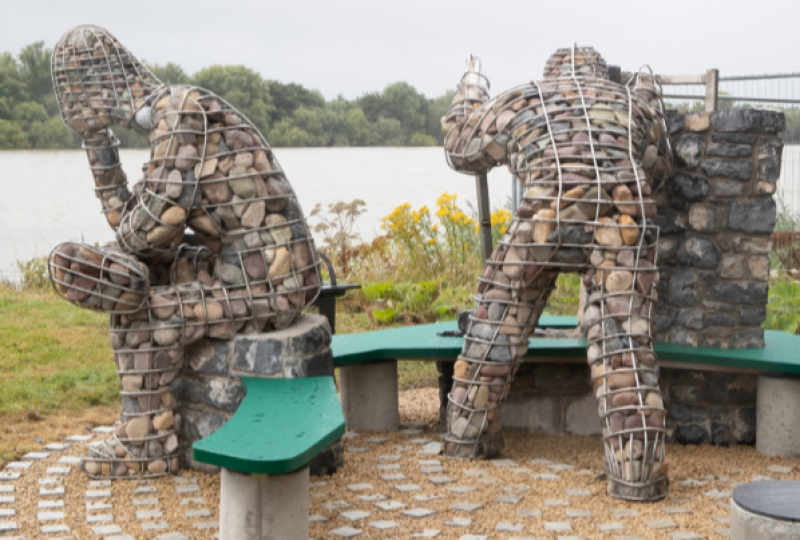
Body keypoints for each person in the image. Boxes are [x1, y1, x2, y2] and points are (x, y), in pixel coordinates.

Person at [48, 25, 321, 478]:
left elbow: (146, 231)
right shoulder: (170, 115)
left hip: (272, 283)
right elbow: (151, 232)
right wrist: (99, 149)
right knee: (147, 275)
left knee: (146, 313)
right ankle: (145, 424)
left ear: (97, 81)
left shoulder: (178, 113)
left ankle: (146, 445)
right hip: (238, 268)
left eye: (73, 90)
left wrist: (98, 146)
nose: (70, 105)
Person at [440, 46, 673, 501]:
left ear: (550, 73)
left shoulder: (523, 99)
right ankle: (637, 475)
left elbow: (460, 147)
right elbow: (660, 166)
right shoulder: (631, 103)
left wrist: (469, 93)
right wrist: (646, 100)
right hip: (620, 217)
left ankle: (467, 436)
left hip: (543, 212)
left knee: (495, 324)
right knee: (625, 348)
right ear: (601, 74)